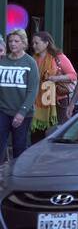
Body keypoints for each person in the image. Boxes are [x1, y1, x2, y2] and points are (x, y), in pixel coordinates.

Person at [0, 30, 40, 160]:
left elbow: (32, 91)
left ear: (24, 43)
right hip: (3, 110)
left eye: (16, 41)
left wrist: (22, 112)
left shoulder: (30, 62)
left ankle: (17, 176)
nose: (13, 44)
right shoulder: (2, 61)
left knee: (19, 147)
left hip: (22, 113)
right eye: (10, 41)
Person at [31, 32, 77, 143]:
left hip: (58, 102)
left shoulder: (58, 57)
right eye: (32, 43)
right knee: (37, 134)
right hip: (38, 101)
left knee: (56, 132)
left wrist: (56, 78)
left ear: (46, 43)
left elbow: (73, 75)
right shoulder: (33, 59)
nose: (33, 45)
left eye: (37, 43)